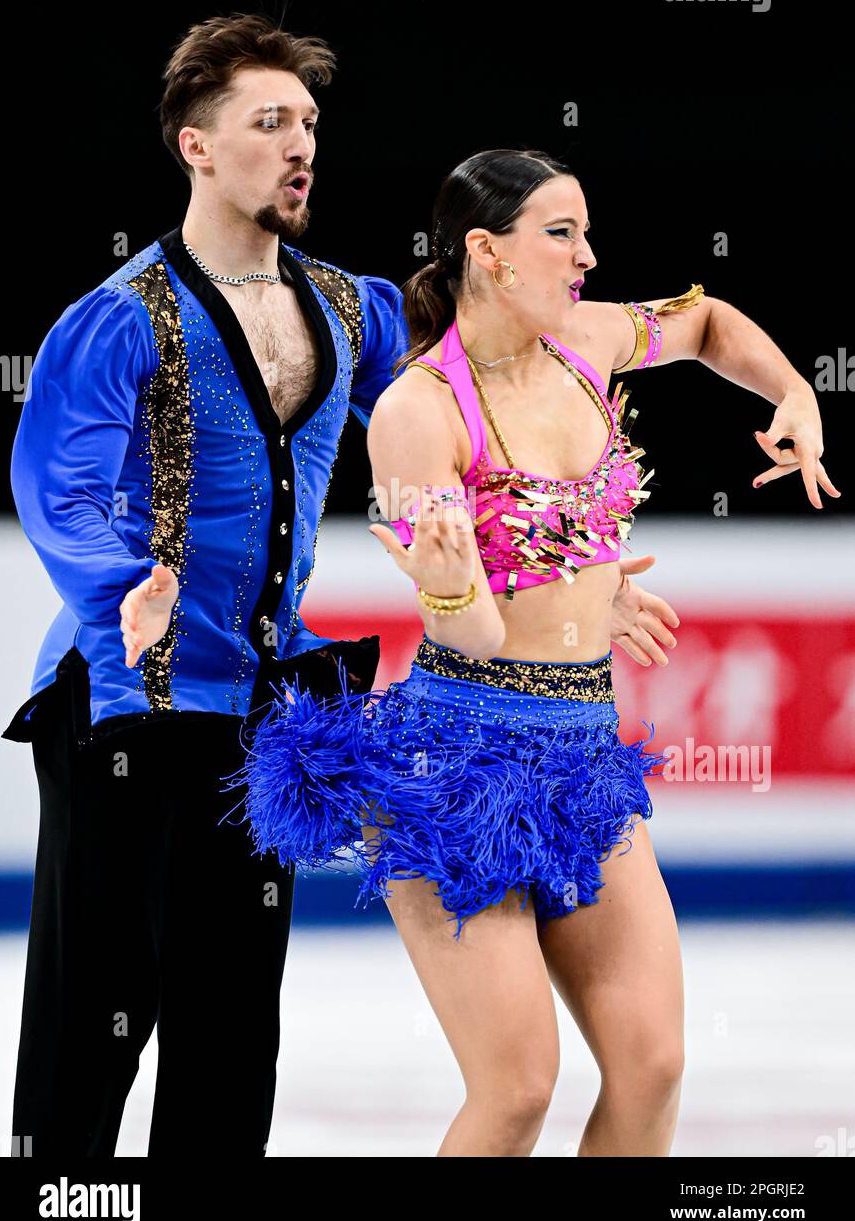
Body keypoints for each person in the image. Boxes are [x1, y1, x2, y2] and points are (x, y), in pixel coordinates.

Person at [223, 147, 840, 1157]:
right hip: (455, 761)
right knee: (516, 1087)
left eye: (585, 231)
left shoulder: (588, 342)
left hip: (582, 753)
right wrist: (454, 582)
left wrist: (792, 396)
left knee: (651, 1065)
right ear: (487, 252)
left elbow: (705, 321)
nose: (586, 256)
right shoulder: (422, 410)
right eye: (560, 233)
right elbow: (473, 631)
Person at [1, 12, 409, 1157]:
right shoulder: (121, 318)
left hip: (264, 720)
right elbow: (57, 485)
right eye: (268, 122)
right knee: (92, 1024)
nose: (299, 146)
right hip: (127, 701)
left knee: (234, 1036)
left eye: (309, 123)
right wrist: (118, 586)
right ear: (195, 146)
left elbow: (455, 415)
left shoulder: (348, 309)